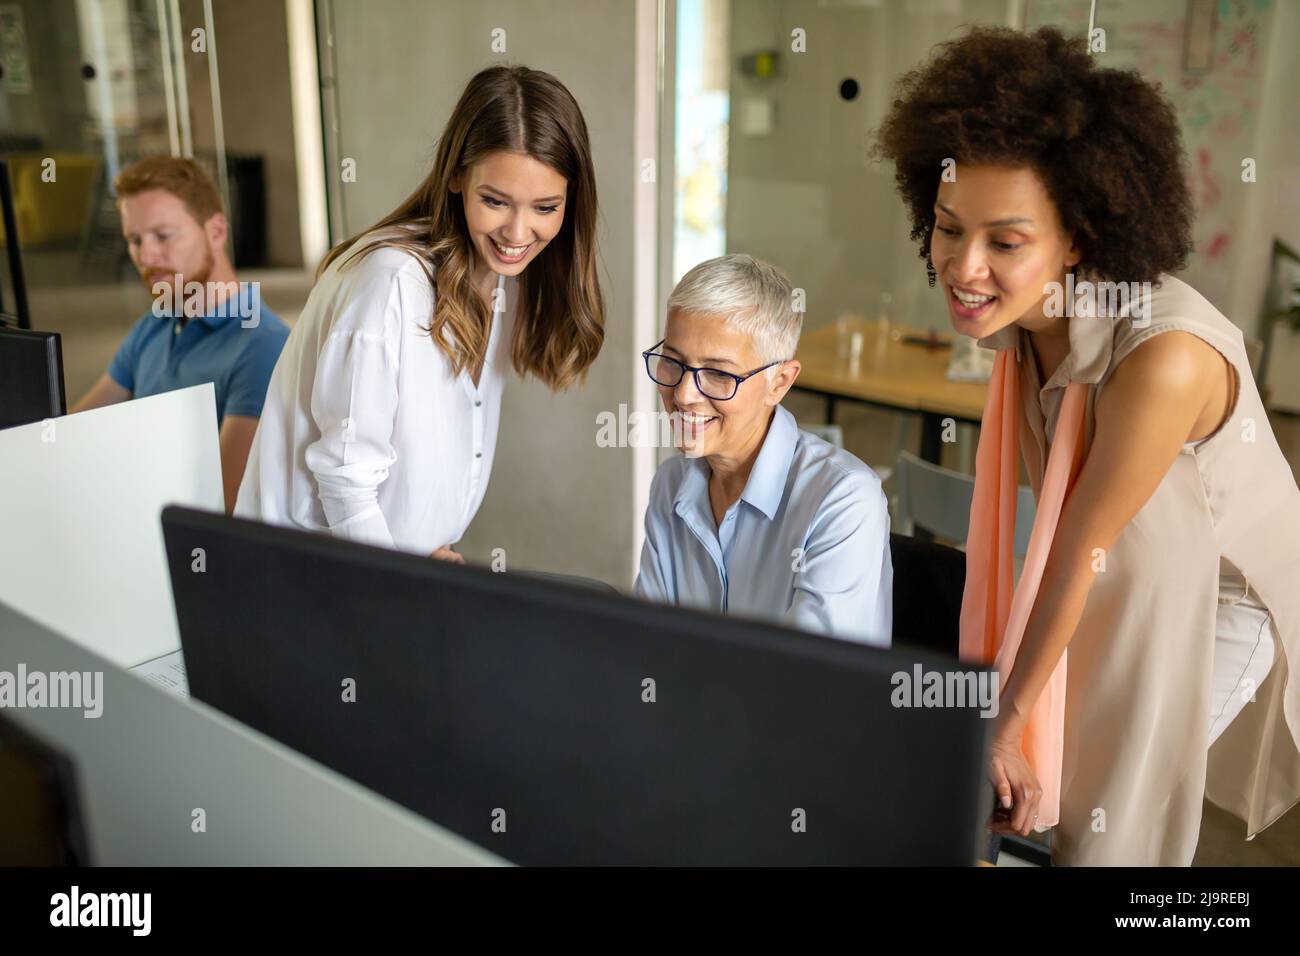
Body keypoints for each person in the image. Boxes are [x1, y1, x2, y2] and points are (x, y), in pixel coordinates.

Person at [875, 25, 1300, 864]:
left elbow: (1078, 551)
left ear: (1078, 238)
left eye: (1005, 241)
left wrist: (1001, 723)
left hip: (1220, 592)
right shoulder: (1025, 326)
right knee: (1048, 775)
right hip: (1118, 560)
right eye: (949, 227)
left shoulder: (1164, 358)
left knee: (1112, 806)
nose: (964, 267)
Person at [236, 65, 604, 559]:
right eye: (495, 201)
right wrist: (405, 586)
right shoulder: (388, 283)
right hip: (321, 581)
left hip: (398, 571)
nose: (518, 234)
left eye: (544, 208)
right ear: (455, 175)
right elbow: (345, 479)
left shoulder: (498, 276)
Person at [634, 254, 892, 645]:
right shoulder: (671, 483)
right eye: (672, 362)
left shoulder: (843, 499)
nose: (684, 395)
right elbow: (646, 644)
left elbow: (808, 683)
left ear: (780, 382)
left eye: (719, 374)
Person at [70, 156, 289, 512]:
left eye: (163, 235)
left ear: (216, 232)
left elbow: (224, 504)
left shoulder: (262, 345)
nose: (147, 255)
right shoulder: (153, 326)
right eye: (135, 239)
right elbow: (71, 434)